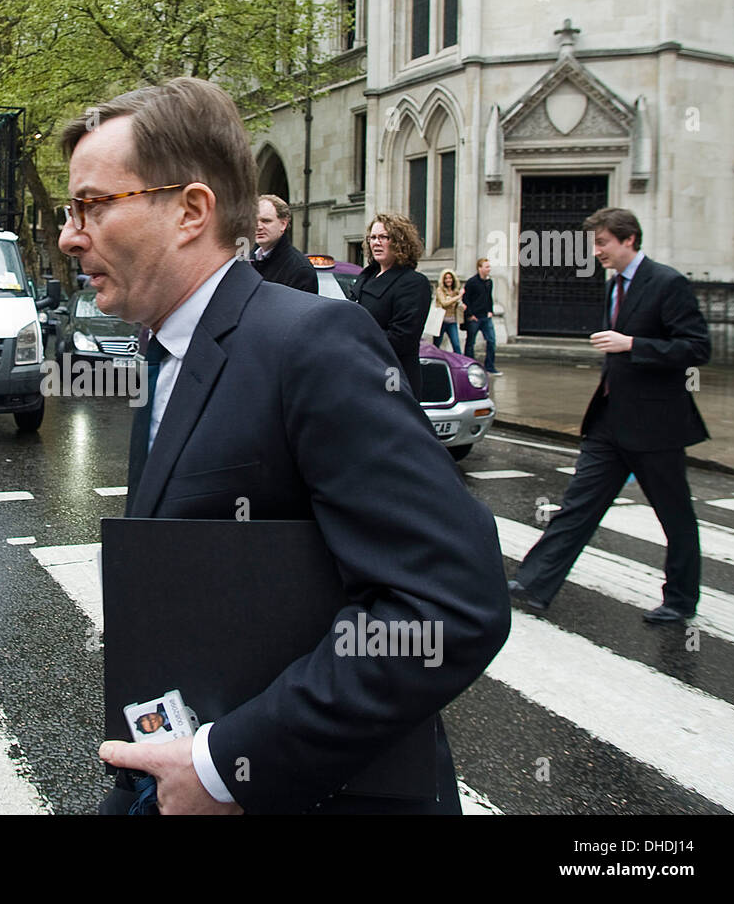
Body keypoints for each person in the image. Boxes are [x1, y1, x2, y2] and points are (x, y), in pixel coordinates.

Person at [58, 78, 509, 815]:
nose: (70, 235)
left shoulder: (311, 343)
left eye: (93, 205)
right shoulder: (166, 351)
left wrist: (224, 766)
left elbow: (447, 604)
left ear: (191, 211)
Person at [509, 208, 710, 624]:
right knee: (577, 507)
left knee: (674, 516)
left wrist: (633, 343)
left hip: (656, 426)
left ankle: (680, 600)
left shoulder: (667, 283)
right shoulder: (614, 284)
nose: (595, 251)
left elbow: (696, 348)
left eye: (601, 243)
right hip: (609, 421)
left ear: (629, 240)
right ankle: (533, 584)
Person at [348, 213, 432, 397]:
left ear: (400, 241)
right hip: (362, 370)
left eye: (384, 237)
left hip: (392, 376)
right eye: (373, 238)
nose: (376, 243)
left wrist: (356, 341)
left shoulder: (413, 283)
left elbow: (402, 338)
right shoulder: (366, 276)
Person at [251, 194, 317, 293]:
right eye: (254, 221)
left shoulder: (300, 269)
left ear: (283, 224)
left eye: (266, 221)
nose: (259, 227)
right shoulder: (246, 260)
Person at [462, 257, 501, 374]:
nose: (489, 269)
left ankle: (490, 366)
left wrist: (490, 311)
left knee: (491, 340)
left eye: (489, 266)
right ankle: (470, 367)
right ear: (480, 268)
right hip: (474, 317)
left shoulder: (489, 282)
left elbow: (489, 298)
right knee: (470, 343)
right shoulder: (471, 282)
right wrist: (470, 315)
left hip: (485, 316)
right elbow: (466, 299)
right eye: (487, 267)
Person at [433, 270, 463, 351]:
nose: (448, 280)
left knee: (456, 345)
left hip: (452, 321)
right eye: (446, 278)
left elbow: (458, 305)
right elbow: (444, 303)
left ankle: (458, 363)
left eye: (450, 278)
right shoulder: (440, 290)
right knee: (436, 345)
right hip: (441, 322)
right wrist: (458, 297)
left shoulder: (455, 291)